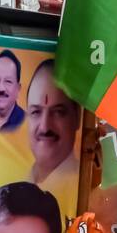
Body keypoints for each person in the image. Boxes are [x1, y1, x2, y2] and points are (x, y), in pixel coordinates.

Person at [26, 59, 80, 189]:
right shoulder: (16, 183)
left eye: (58, 112)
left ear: (77, 117)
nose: (44, 127)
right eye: (36, 112)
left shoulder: (83, 190)